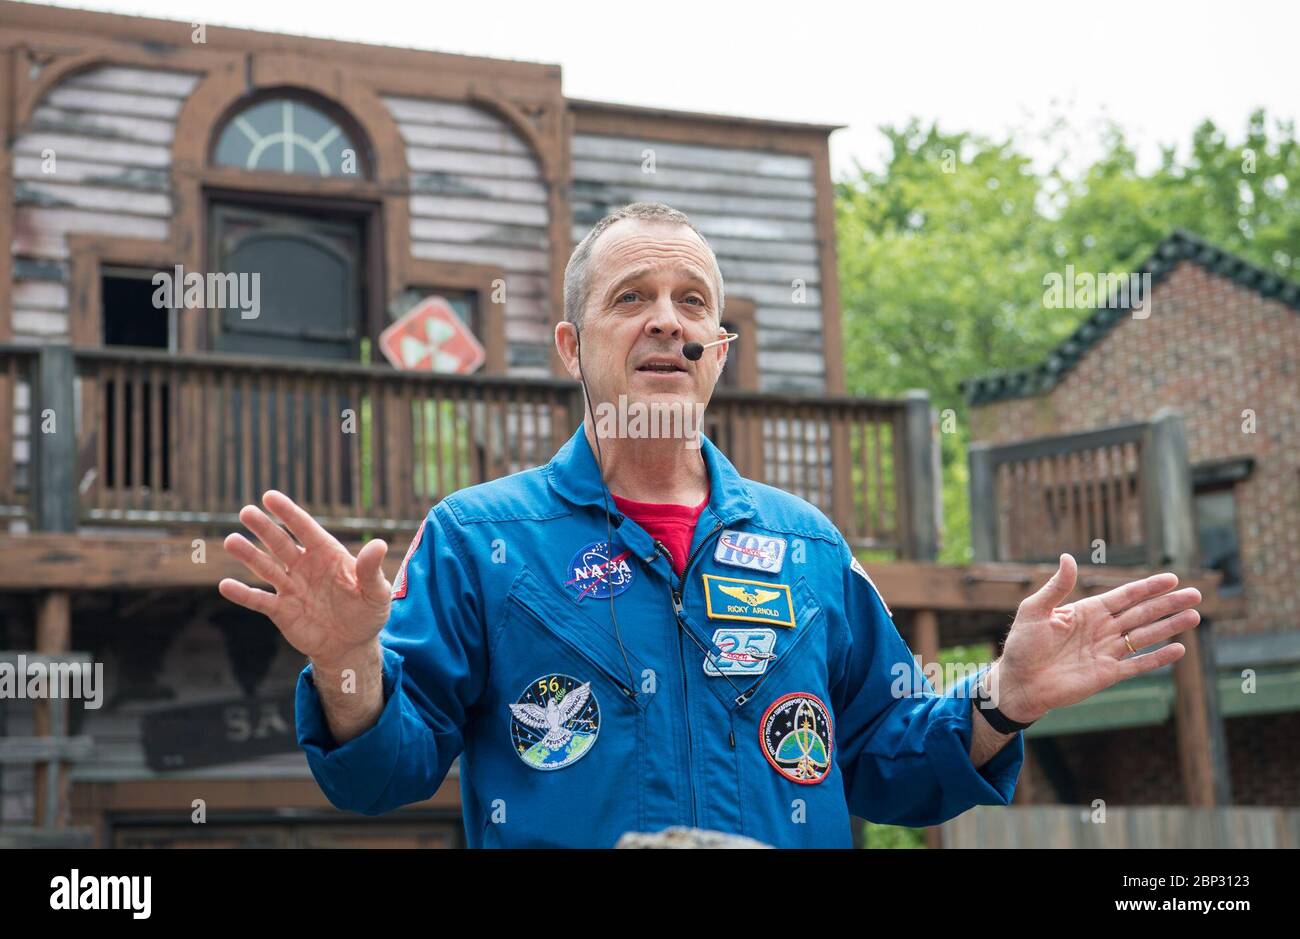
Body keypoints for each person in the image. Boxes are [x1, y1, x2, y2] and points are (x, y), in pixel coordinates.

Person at [218, 202, 1202, 847]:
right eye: (630, 298)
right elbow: (381, 778)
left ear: (717, 350)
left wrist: (1003, 697)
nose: (666, 321)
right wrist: (350, 664)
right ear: (570, 345)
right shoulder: (482, 540)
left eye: (693, 303)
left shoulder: (808, 548)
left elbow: (888, 765)